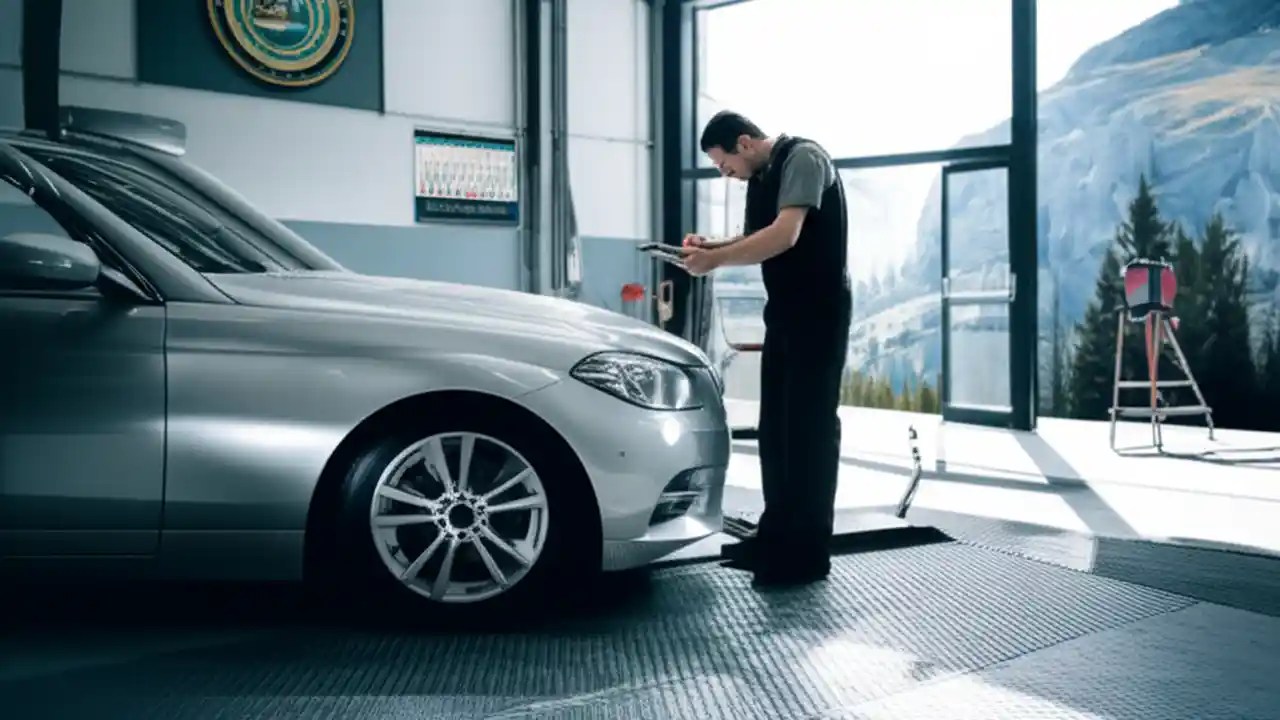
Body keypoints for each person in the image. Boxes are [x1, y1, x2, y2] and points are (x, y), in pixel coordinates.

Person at [680, 110, 851, 588]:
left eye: (723, 164)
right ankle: (775, 539)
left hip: (820, 311)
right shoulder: (760, 176)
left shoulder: (805, 158)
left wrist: (714, 261)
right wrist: (708, 246)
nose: (725, 174)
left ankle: (807, 554)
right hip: (786, 309)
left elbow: (784, 235)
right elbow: (755, 237)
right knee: (776, 429)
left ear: (744, 142)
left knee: (810, 430)